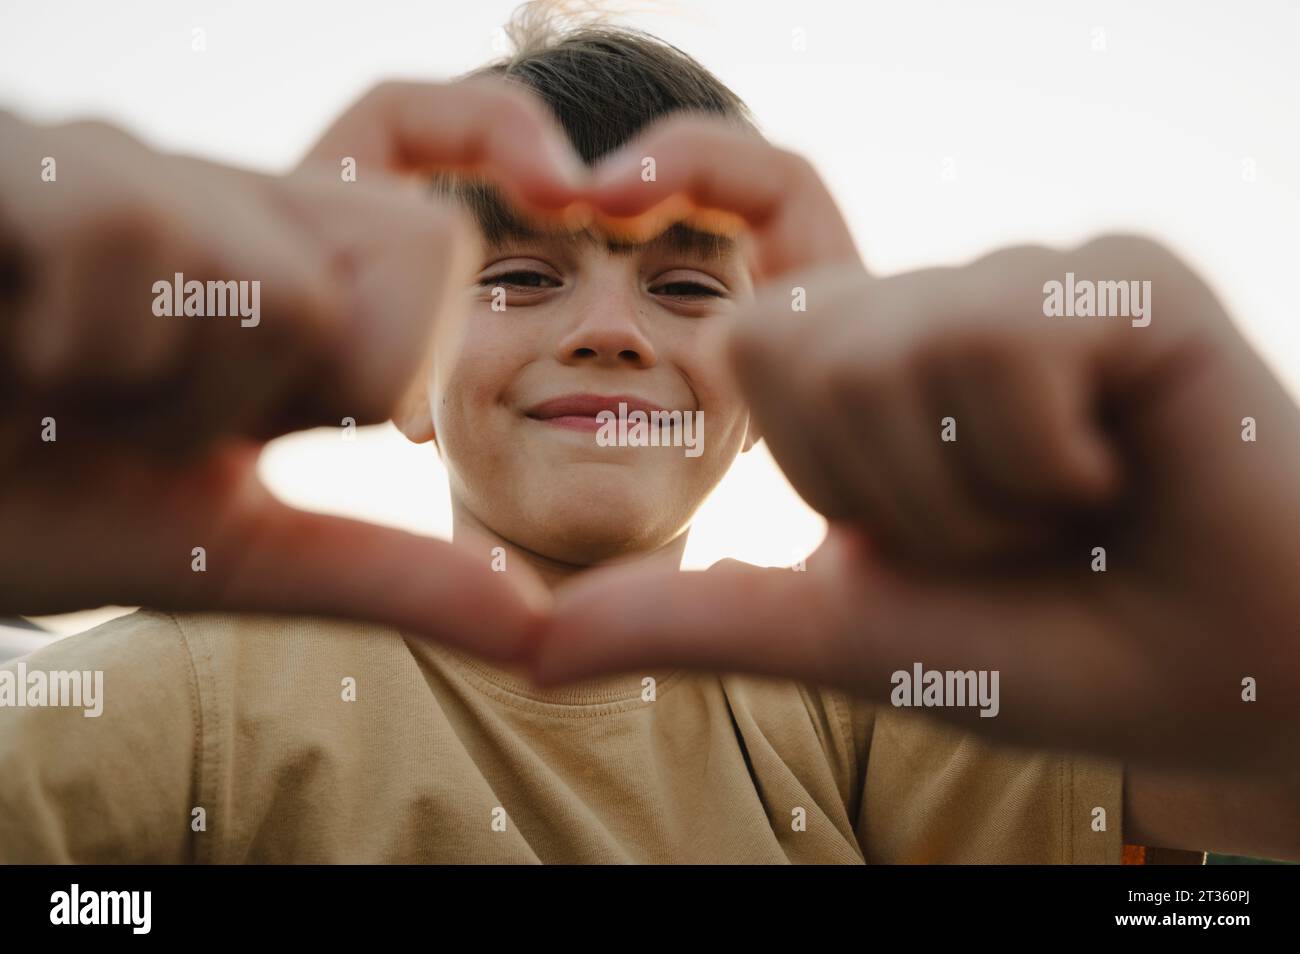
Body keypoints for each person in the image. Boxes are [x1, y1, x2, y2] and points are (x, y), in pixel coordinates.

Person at [1, 10, 1293, 863]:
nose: (611, 330)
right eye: (515, 278)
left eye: (684, 287)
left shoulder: (862, 695)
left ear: (762, 408)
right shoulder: (204, 683)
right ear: (404, 376)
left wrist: (1265, 661)